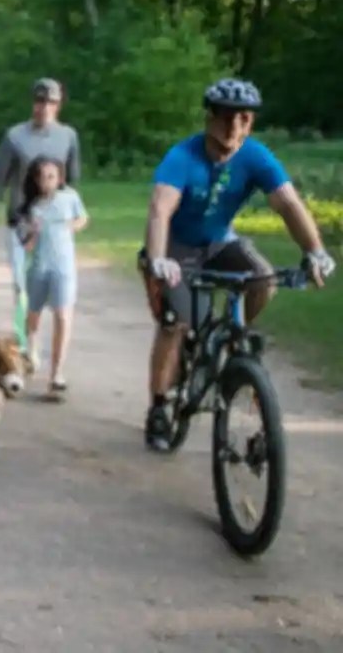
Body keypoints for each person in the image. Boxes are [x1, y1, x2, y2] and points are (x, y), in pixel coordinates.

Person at [139, 77, 336, 452]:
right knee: (174, 323)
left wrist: (315, 251)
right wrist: (159, 259)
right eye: (226, 117)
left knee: (263, 279)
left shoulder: (256, 156)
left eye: (243, 118)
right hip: (177, 248)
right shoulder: (183, 155)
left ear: (251, 123)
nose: (234, 127)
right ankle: (160, 407)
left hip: (219, 242)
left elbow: (289, 204)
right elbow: (159, 209)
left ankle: (224, 338)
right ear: (209, 118)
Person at [0, 78, 83, 348]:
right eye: (40, 101)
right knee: (22, 286)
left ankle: (41, 344)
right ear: (33, 103)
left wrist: (72, 215)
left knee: (56, 291)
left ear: (59, 105)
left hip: (54, 226)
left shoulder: (68, 136)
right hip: (21, 221)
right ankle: (24, 343)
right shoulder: (15, 136)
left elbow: (71, 181)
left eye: (51, 102)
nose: (44, 107)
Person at [17, 156, 88, 393]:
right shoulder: (32, 206)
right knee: (34, 314)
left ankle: (56, 372)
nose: (47, 181)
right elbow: (25, 244)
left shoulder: (70, 198)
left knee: (63, 316)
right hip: (39, 267)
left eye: (51, 176)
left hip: (64, 267)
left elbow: (83, 218)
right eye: (42, 177)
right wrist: (32, 233)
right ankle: (31, 350)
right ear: (35, 180)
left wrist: (72, 226)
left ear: (60, 178)